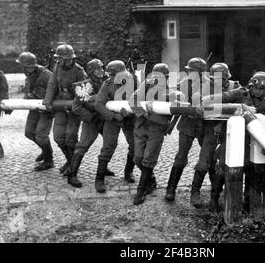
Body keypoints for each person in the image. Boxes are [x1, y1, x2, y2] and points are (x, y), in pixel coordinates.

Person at [129, 63, 183, 205]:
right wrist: (144, 113)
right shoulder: (146, 87)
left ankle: (141, 191)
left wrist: (172, 125)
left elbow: (179, 108)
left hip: (157, 129)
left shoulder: (171, 93)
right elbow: (132, 100)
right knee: (137, 158)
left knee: (148, 159)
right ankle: (150, 178)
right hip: (141, 126)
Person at [188, 63, 241, 208]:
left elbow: (242, 105)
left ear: (226, 77)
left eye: (221, 78)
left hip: (229, 129)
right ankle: (195, 191)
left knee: (223, 163)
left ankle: (216, 195)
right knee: (204, 160)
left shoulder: (234, 86)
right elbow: (197, 98)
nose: (218, 81)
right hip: (209, 129)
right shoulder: (206, 87)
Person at [164, 57, 209, 202]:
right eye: (189, 71)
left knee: (208, 158)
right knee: (181, 157)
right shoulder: (184, 83)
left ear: (201, 73)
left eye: (193, 71)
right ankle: (171, 189)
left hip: (204, 125)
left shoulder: (210, 84)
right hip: (187, 124)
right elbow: (172, 94)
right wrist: (177, 97)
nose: (190, 73)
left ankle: (198, 191)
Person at [66, 58, 113, 187]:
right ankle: (72, 174)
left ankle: (103, 169)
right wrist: (90, 117)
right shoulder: (84, 86)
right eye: (97, 69)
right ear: (91, 71)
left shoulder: (108, 82)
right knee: (82, 146)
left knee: (109, 145)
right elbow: (76, 107)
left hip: (104, 119)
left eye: (102, 68)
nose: (101, 71)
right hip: (91, 120)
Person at [94, 60, 138, 193]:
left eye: (114, 75)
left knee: (135, 145)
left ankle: (128, 171)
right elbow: (99, 104)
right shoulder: (107, 84)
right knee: (108, 146)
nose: (112, 78)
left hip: (129, 119)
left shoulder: (134, 81)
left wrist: (130, 111)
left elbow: (141, 99)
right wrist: (113, 116)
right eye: (111, 75)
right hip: (113, 118)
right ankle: (99, 178)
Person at [43, 44, 87, 175]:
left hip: (74, 107)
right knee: (58, 137)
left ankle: (73, 166)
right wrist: (47, 101)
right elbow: (52, 84)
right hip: (60, 105)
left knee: (70, 138)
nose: (58, 60)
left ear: (69, 59)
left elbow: (84, 93)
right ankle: (70, 161)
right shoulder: (57, 67)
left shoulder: (79, 71)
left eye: (60, 58)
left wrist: (76, 106)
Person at [16, 52, 54, 171]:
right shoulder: (28, 73)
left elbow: (54, 90)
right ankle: (45, 150)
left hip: (46, 109)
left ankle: (49, 160)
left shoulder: (46, 75)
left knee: (41, 135)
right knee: (29, 132)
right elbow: (28, 91)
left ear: (29, 65)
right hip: (34, 108)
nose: (24, 68)